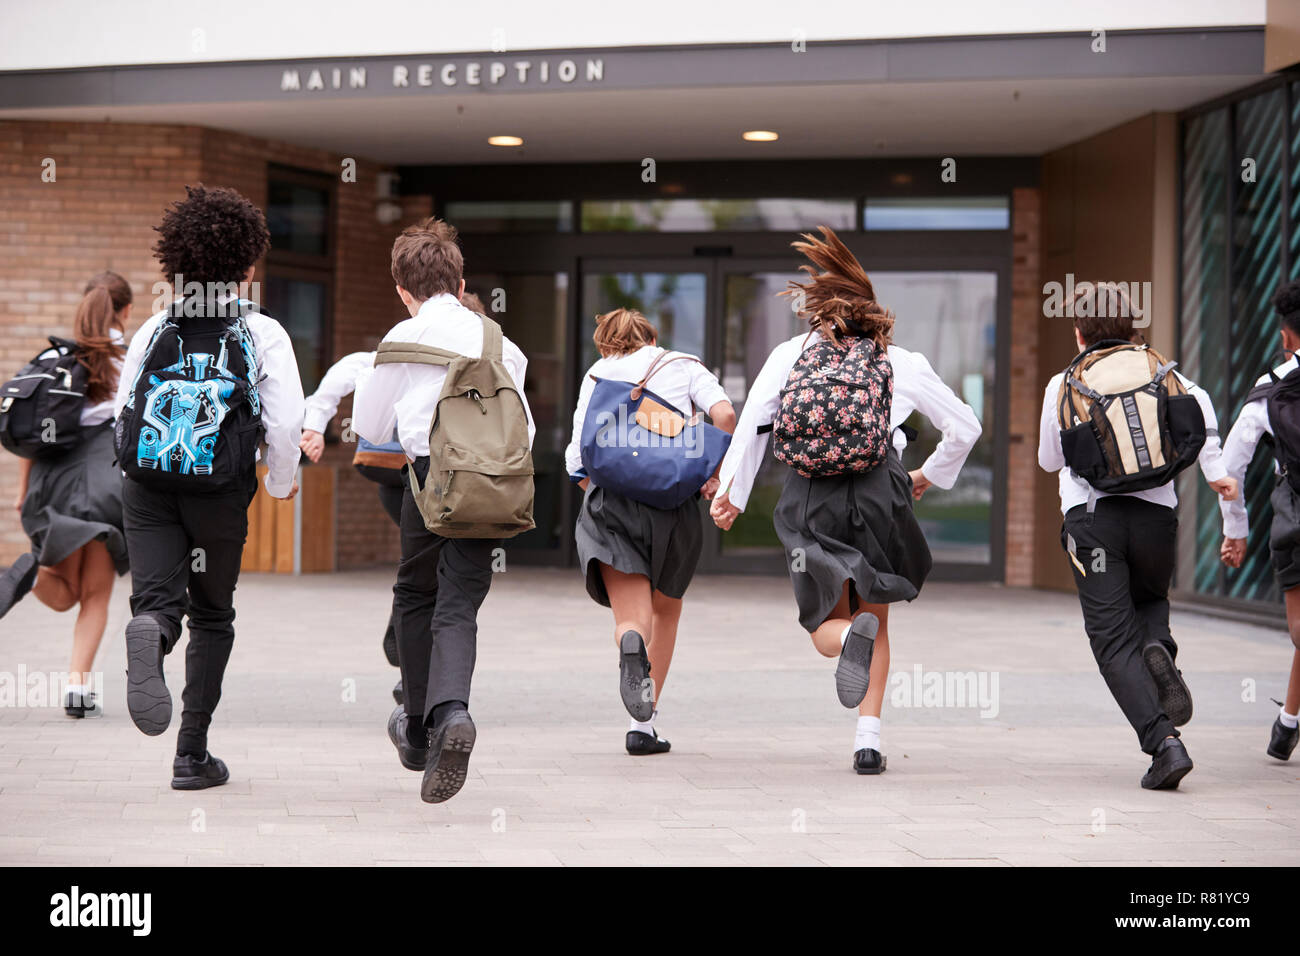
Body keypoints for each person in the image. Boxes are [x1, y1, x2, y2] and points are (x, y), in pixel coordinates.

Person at [710, 226, 978, 774]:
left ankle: (846, 636)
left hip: (810, 496)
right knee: (876, 613)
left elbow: (754, 424)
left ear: (819, 311)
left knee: (823, 625)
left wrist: (733, 493)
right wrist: (926, 475)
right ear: (870, 310)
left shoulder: (791, 355)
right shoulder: (900, 360)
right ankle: (868, 743)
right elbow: (966, 427)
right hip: (881, 489)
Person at [114, 184, 304, 790]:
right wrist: (281, 482)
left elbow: (124, 412)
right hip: (218, 489)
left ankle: (154, 629)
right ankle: (191, 755)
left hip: (146, 485)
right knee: (214, 615)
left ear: (176, 261)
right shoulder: (263, 332)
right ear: (246, 266)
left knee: (156, 600)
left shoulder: (154, 327)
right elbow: (286, 423)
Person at [353, 218, 534, 803]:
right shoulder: (501, 343)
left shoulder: (402, 338)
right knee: (458, 604)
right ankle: (453, 712)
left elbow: (370, 425)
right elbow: (524, 424)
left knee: (415, 593)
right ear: (460, 283)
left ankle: (415, 729)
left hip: (430, 479)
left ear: (403, 291)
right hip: (491, 483)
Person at [1038, 281, 1236, 790]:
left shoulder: (1065, 382)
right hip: (1156, 520)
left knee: (1111, 639)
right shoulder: (1161, 369)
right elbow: (1201, 408)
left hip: (1094, 524)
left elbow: (1049, 460)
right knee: (1149, 600)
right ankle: (1159, 648)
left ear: (1079, 333)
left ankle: (1164, 744)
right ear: (1131, 327)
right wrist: (1215, 472)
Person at [298, 292, 491, 706]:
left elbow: (349, 373)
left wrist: (315, 423)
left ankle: (410, 665)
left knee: (423, 577)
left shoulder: (412, 344)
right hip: (430, 481)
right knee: (439, 584)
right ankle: (418, 677)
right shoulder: (487, 356)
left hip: (398, 476)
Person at [564, 308, 736, 755]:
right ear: (652, 339)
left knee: (632, 619)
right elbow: (724, 414)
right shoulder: (684, 364)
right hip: (672, 505)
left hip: (611, 505)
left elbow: (576, 455)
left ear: (606, 343)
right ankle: (643, 725)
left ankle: (630, 641)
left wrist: (603, 489)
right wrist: (713, 474)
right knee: (666, 611)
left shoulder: (597, 374)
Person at [0, 272, 134, 717]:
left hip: (53, 481)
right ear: (126, 310)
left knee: (63, 590)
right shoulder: (133, 360)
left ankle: (26, 573)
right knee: (93, 594)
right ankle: (77, 687)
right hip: (105, 486)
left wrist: (23, 492)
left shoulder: (57, 357)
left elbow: (32, 435)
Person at [1219, 278, 1300, 762]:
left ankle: (1287, 725)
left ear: (1287, 336)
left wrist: (1236, 531)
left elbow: (1230, 468)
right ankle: (1287, 724)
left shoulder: (1270, 391)